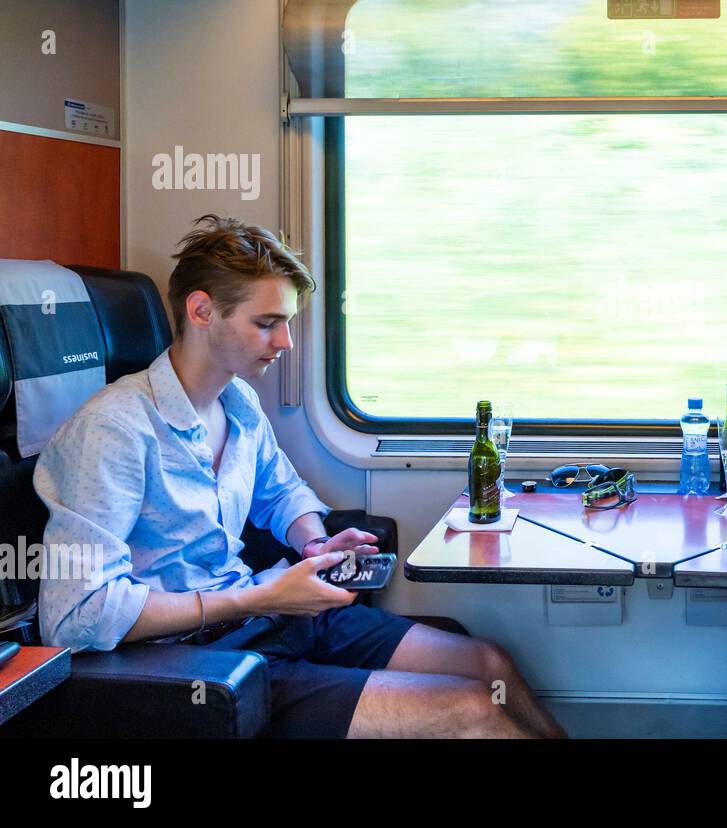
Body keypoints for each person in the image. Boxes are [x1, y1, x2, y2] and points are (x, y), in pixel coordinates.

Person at [36, 214, 564, 738]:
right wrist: (259, 599)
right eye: (266, 323)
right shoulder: (114, 430)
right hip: (193, 659)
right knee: (472, 711)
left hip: (266, 613)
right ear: (201, 311)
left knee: (488, 666)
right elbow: (78, 613)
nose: (285, 341)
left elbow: (282, 493)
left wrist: (314, 542)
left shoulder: (237, 403)